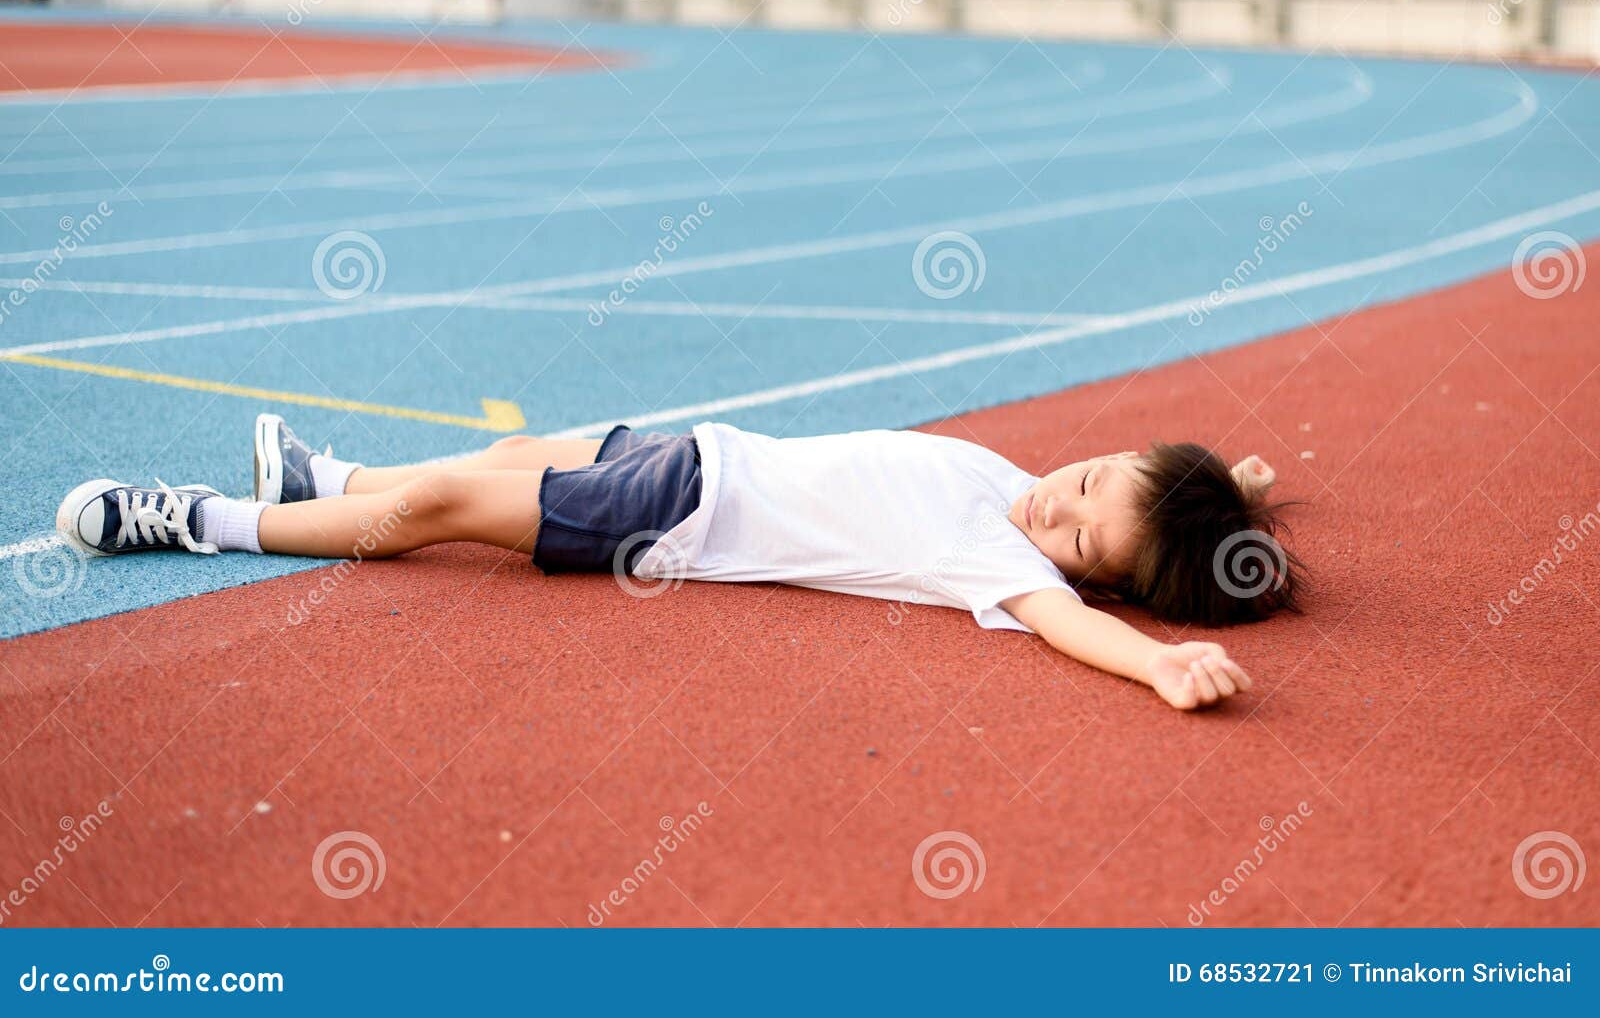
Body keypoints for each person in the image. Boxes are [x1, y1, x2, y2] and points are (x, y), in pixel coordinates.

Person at [55, 414, 1299, 711]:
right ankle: (319, 488)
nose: (1058, 509)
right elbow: (1150, 500)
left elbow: (1069, 623)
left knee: (441, 503)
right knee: (495, 454)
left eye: (1082, 542)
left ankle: (195, 520)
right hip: (695, 447)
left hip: (672, 520)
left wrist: (1159, 660)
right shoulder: (1017, 483)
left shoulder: (993, 553)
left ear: (1094, 578)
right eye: (1084, 485)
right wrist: (1234, 490)